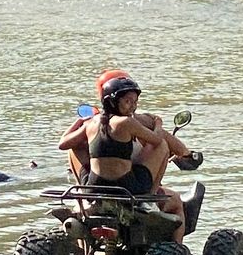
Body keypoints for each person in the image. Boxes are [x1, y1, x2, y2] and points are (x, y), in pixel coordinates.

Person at [70, 71, 203, 234]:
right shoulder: (136, 120)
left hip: (95, 188)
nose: (132, 104)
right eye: (128, 100)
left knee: (73, 147)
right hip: (131, 189)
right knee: (175, 202)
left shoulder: (91, 122)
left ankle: (82, 198)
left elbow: (64, 144)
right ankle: (178, 252)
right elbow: (167, 143)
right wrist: (188, 155)